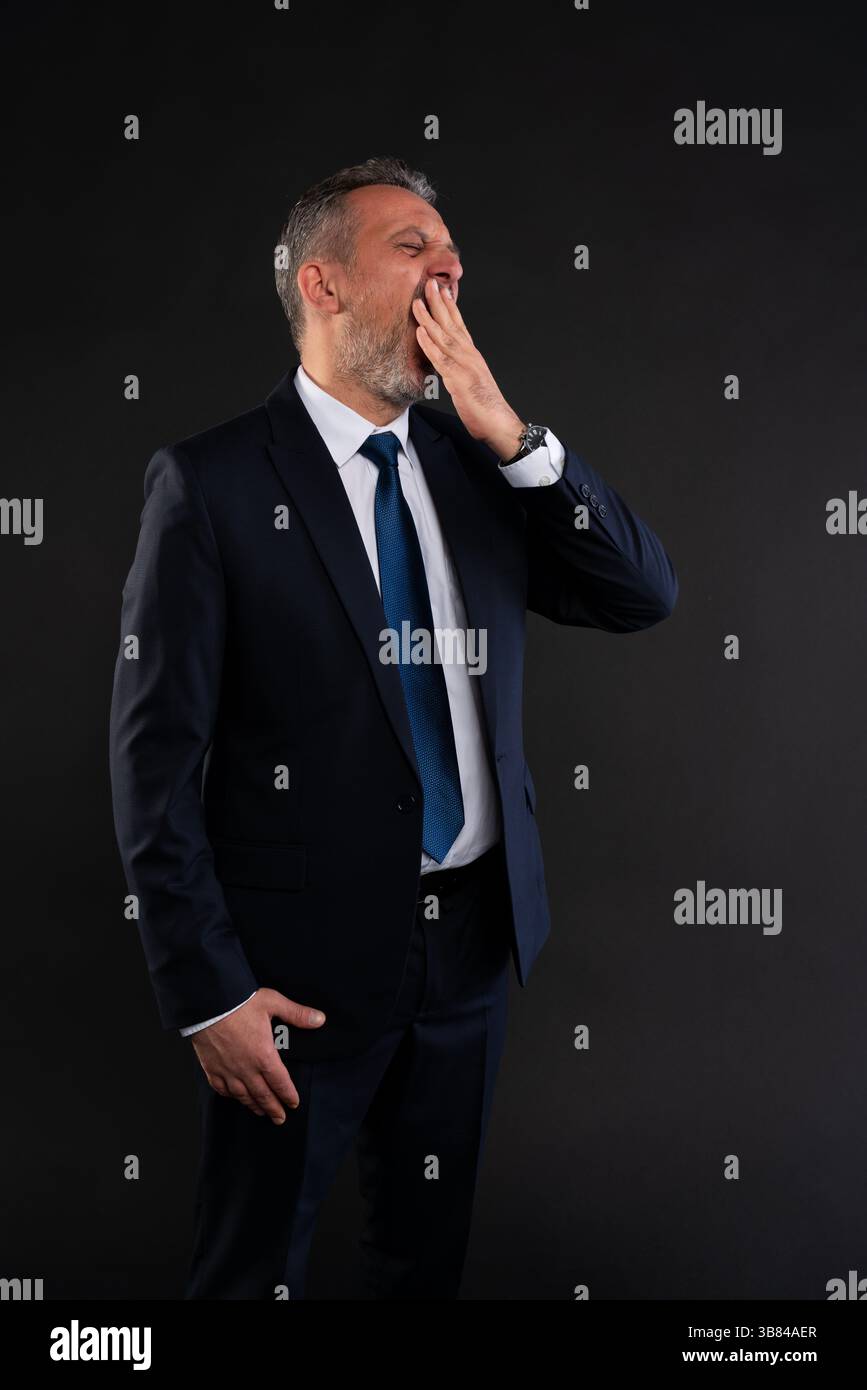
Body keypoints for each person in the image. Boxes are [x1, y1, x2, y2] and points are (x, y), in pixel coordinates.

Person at [108, 155, 679, 1300]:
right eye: (411, 247)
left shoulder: (481, 468)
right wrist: (208, 993)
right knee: (250, 1268)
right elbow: (153, 761)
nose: (447, 268)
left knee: (422, 1265)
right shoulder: (212, 485)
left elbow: (641, 593)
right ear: (321, 284)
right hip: (294, 979)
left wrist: (515, 436)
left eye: (452, 253)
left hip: (470, 951)